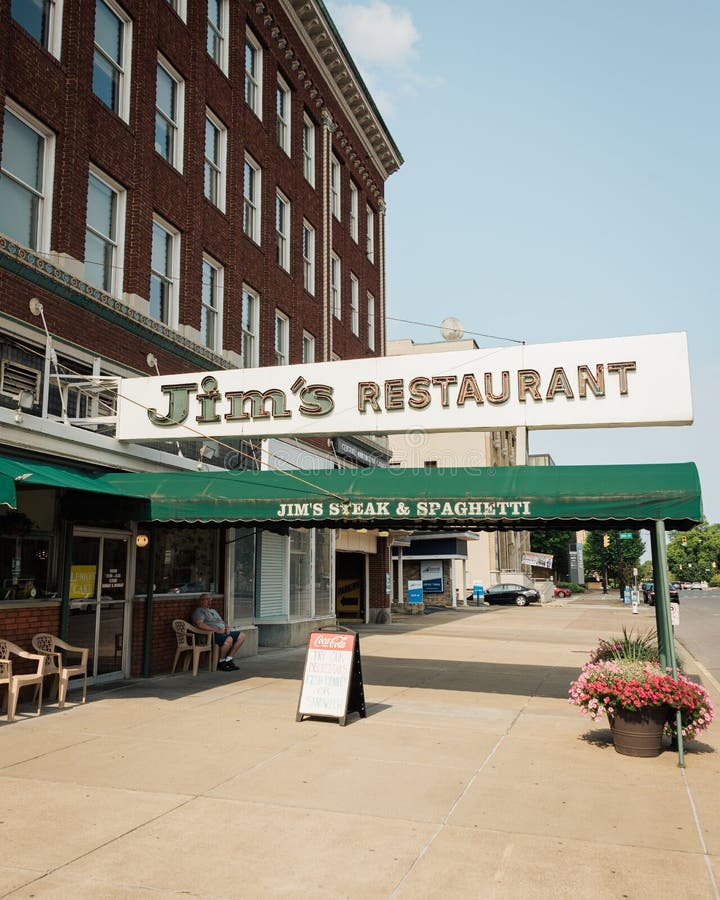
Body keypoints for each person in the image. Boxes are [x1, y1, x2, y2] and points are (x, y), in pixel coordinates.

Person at [191, 594, 246, 671]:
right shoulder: (199, 611)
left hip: (222, 633)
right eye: (207, 599)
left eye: (210, 599)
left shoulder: (213, 611)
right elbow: (200, 624)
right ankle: (221, 661)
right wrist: (216, 630)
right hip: (212, 635)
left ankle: (229, 659)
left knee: (242, 636)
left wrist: (227, 627)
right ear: (201, 601)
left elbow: (221, 622)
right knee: (229, 639)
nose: (209, 601)